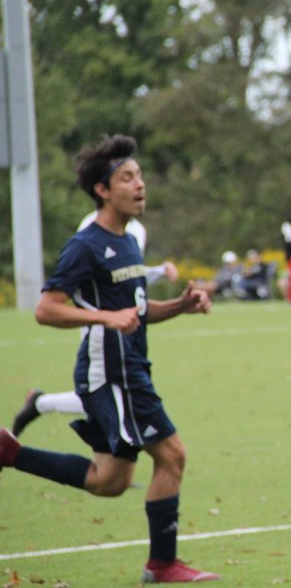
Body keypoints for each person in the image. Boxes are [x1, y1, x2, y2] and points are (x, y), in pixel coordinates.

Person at [0, 134, 220, 583]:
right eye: (127, 178)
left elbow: (135, 311)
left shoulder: (129, 242)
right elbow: (46, 309)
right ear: (102, 189)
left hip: (127, 366)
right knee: (172, 455)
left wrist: (180, 306)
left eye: (140, 176)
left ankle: (10, 451)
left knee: (110, 480)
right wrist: (104, 317)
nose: (140, 185)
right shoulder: (85, 245)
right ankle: (162, 565)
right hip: (114, 374)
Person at [12, 213, 180, 437]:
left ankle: (39, 405)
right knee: (103, 394)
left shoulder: (136, 230)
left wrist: (161, 274)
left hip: (127, 332)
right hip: (101, 330)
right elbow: (95, 277)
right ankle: (39, 407)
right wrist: (104, 317)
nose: (140, 194)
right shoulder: (90, 230)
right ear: (104, 194)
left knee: (108, 402)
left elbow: (128, 276)